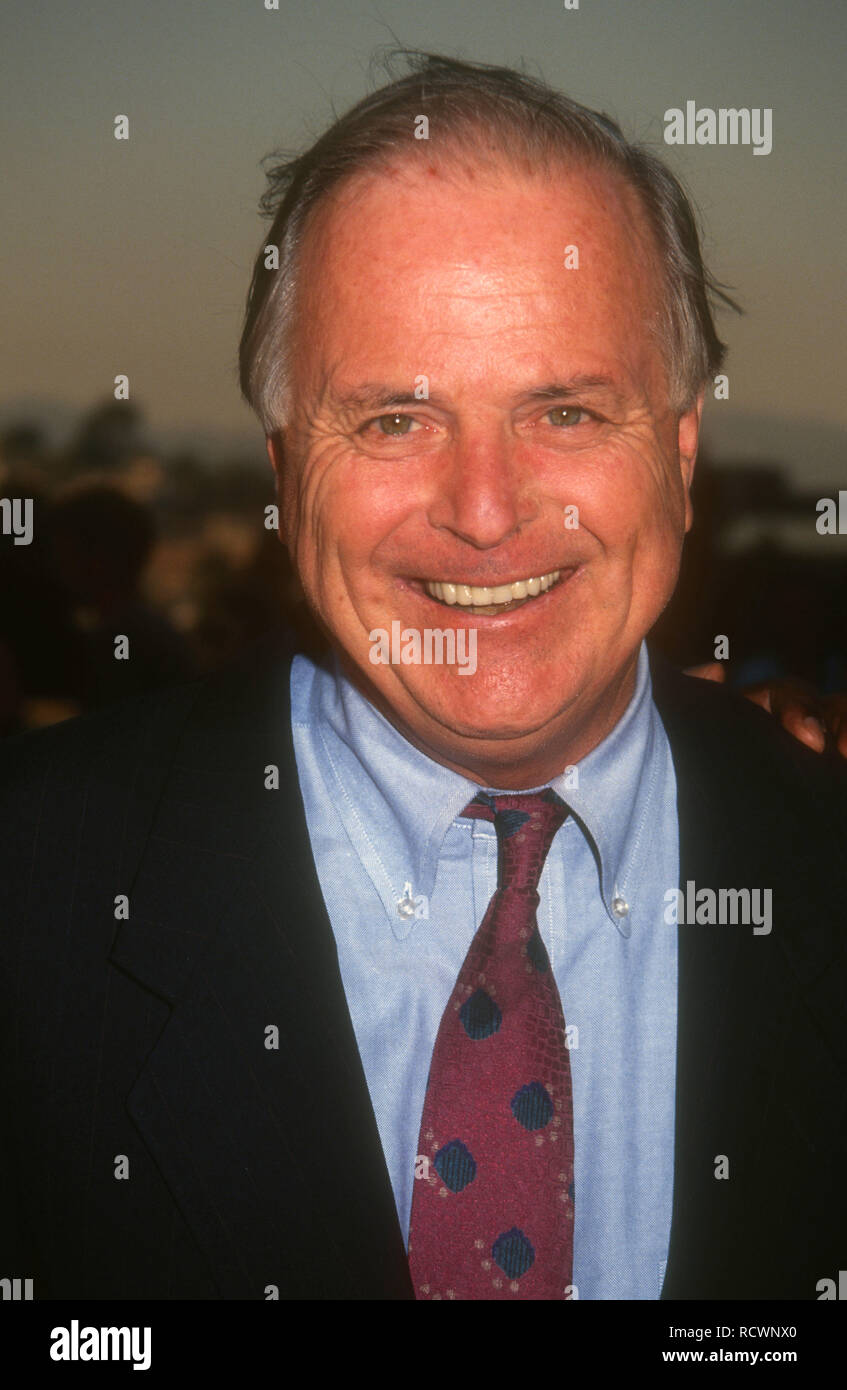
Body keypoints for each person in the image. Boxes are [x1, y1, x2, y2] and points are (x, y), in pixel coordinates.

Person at [1, 52, 845, 1302]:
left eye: (565, 410)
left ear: (679, 456)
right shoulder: (33, 896)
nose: (486, 512)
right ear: (286, 475)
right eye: (395, 418)